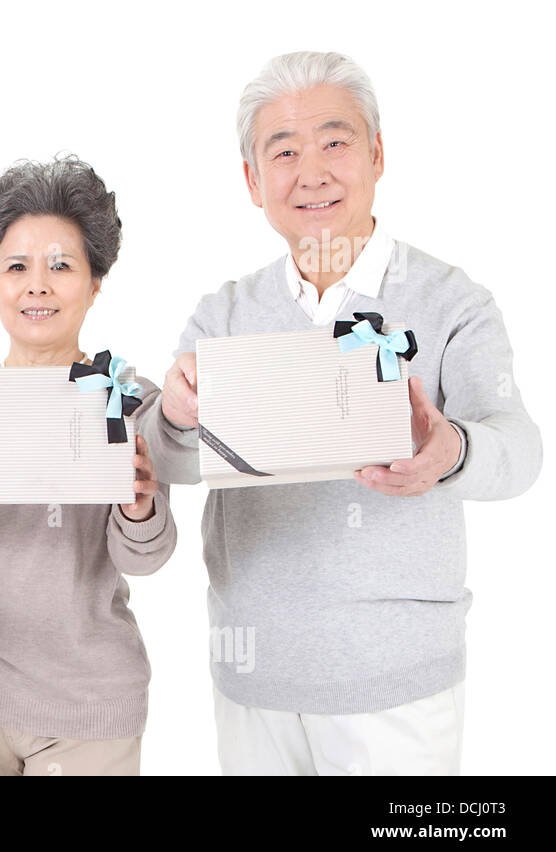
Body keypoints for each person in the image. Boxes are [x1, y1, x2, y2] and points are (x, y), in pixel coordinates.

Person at [141, 51, 543, 775]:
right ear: (252, 181)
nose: (312, 170)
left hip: (399, 690)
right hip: (254, 683)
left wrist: (449, 451)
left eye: (335, 141)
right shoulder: (222, 314)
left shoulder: (454, 302)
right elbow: (171, 463)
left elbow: (520, 451)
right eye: (284, 151)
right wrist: (171, 414)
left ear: (378, 153)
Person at [0, 156, 176, 775]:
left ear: (95, 282)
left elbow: (146, 557)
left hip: (90, 704)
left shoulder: (128, 396)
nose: (37, 285)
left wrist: (140, 505)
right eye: (16, 267)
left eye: (61, 265)